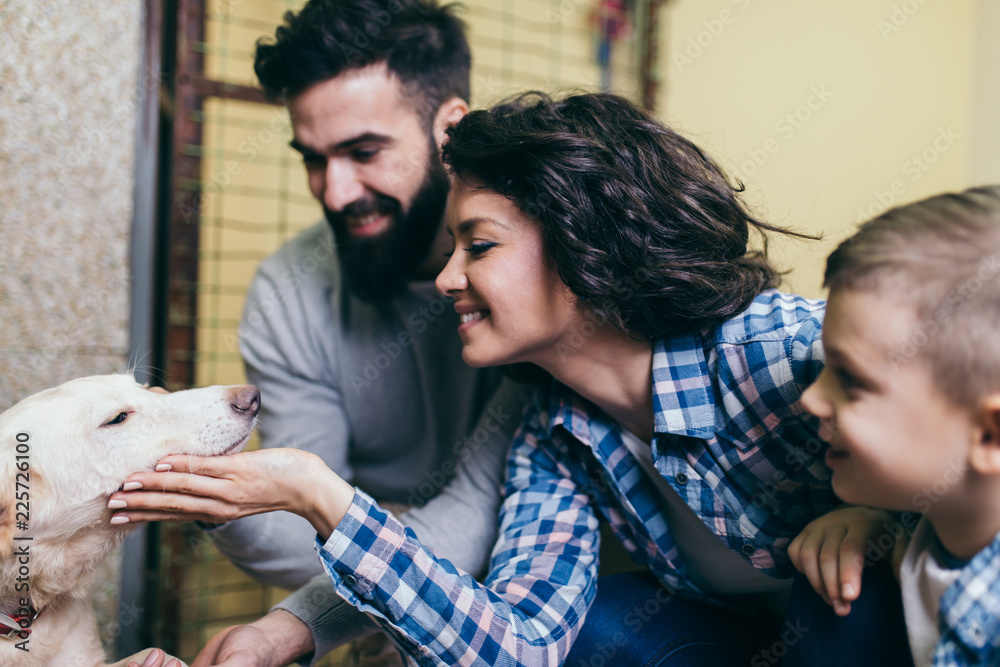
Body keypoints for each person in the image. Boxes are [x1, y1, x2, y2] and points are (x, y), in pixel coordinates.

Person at [114, 92, 891, 665]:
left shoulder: (777, 345)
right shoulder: (554, 436)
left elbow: (975, 421)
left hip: (859, 630)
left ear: (586, 243)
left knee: (847, 604)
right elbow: (517, 646)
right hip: (733, 641)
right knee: (607, 624)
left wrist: (891, 519)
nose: (448, 277)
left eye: (478, 246)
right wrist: (318, 496)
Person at [180, 1, 533, 664]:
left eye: (364, 151)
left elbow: (495, 515)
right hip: (379, 617)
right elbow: (289, 534)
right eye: (313, 158)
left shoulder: (542, 268)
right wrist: (220, 497)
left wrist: (338, 511)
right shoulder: (289, 290)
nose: (336, 191)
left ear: (449, 129)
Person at [786, 186, 1000, 666]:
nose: (811, 398)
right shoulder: (939, 515)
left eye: (851, 379)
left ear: (990, 435)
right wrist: (872, 520)